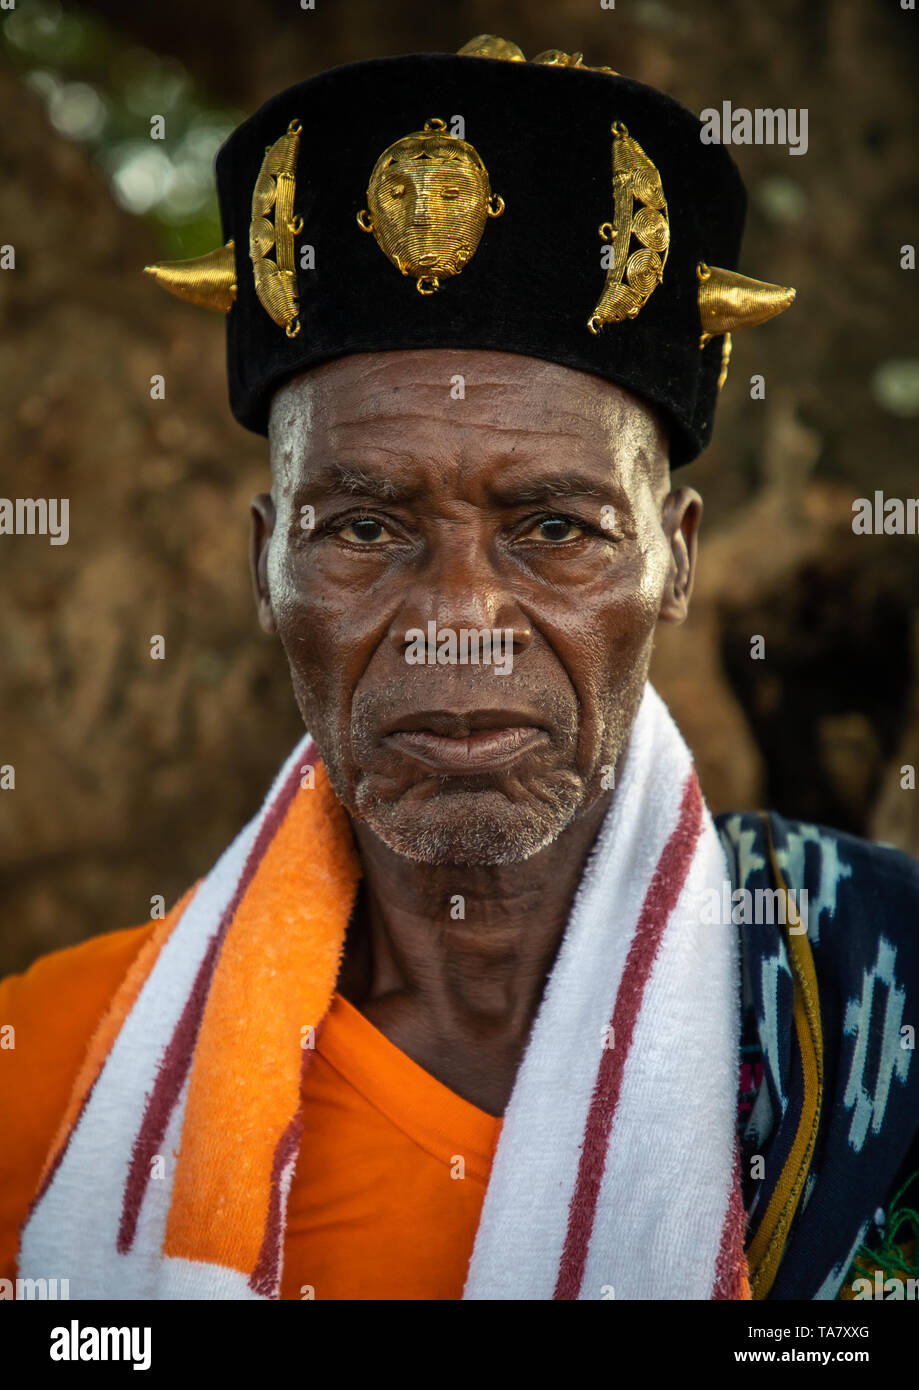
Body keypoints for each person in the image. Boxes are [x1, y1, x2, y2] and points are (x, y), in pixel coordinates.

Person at [1, 35, 916, 1303]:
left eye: (554, 527)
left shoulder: (882, 986)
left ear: (677, 558)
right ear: (267, 568)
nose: (455, 623)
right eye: (364, 526)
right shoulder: (46, 1080)